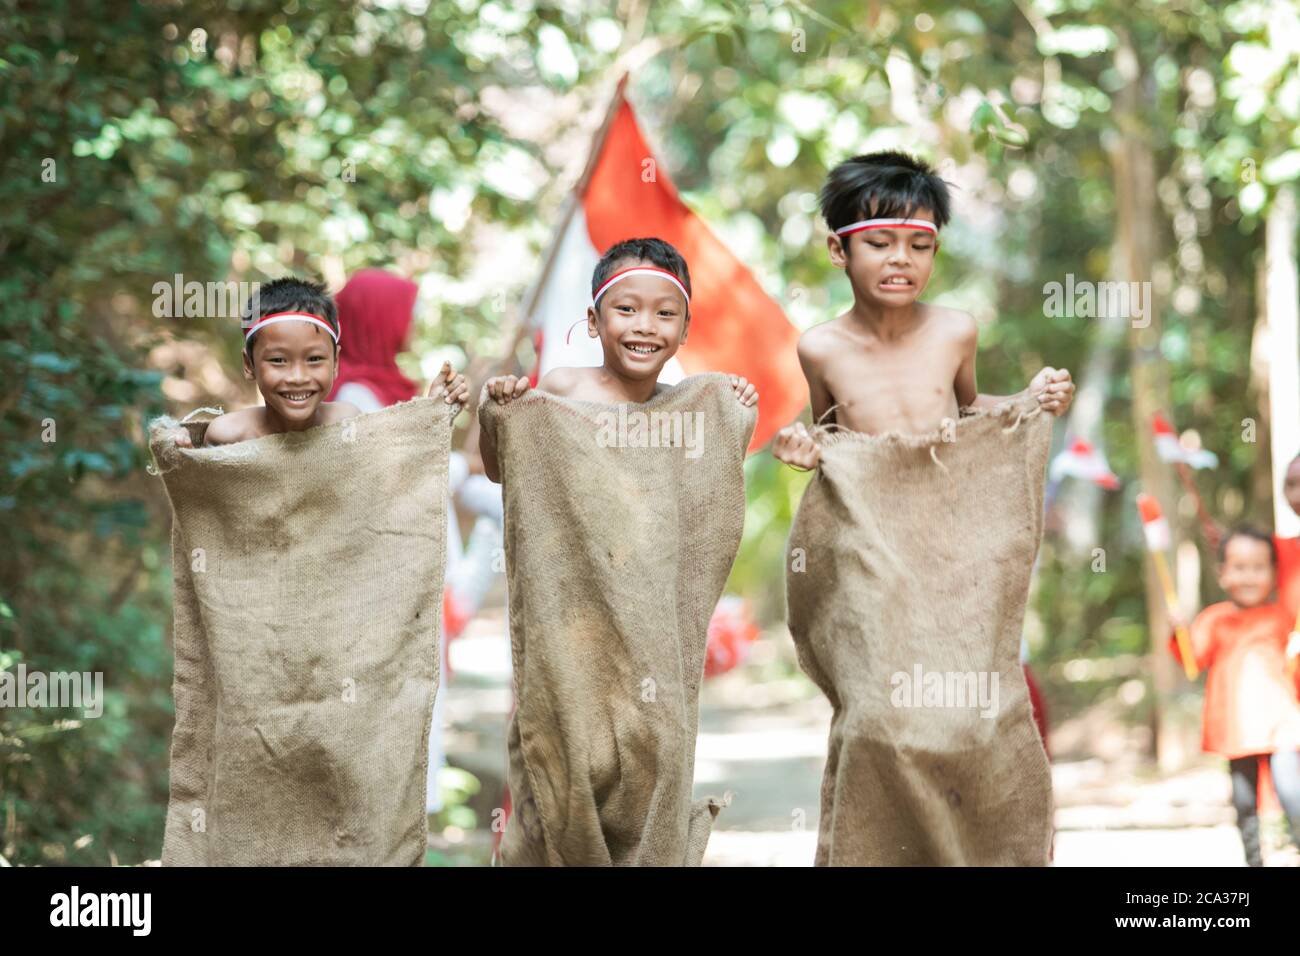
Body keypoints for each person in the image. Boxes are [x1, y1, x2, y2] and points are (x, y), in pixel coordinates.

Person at [769, 151, 1073, 468]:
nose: (901, 258)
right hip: (865, 513)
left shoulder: (955, 332)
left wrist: (1032, 399)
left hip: (946, 507)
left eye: (919, 246)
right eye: (879, 244)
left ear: (934, 250)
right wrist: (800, 451)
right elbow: (828, 438)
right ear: (838, 250)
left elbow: (967, 410)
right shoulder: (820, 348)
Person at [479, 236, 757, 478]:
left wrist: (731, 406)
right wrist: (499, 414)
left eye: (665, 313)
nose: (645, 327)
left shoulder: (681, 408)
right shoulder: (564, 387)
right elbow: (503, 471)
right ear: (593, 321)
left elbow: (708, 482)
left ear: (684, 329)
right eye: (626, 309)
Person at [175, 276, 466, 447]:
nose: (298, 376)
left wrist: (433, 411)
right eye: (278, 360)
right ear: (249, 365)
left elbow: (394, 467)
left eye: (314, 359)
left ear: (336, 362)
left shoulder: (346, 422)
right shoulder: (228, 435)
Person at [1169, 527, 1300, 866]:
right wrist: (1178, 631)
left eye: (1258, 567)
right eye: (1239, 567)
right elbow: (1191, 660)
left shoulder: (1284, 616)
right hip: (1236, 729)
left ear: (1273, 572)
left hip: (1281, 724)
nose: (1249, 576)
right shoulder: (1215, 619)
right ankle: (1254, 861)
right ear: (1223, 573)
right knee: (1244, 804)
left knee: (1293, 793)